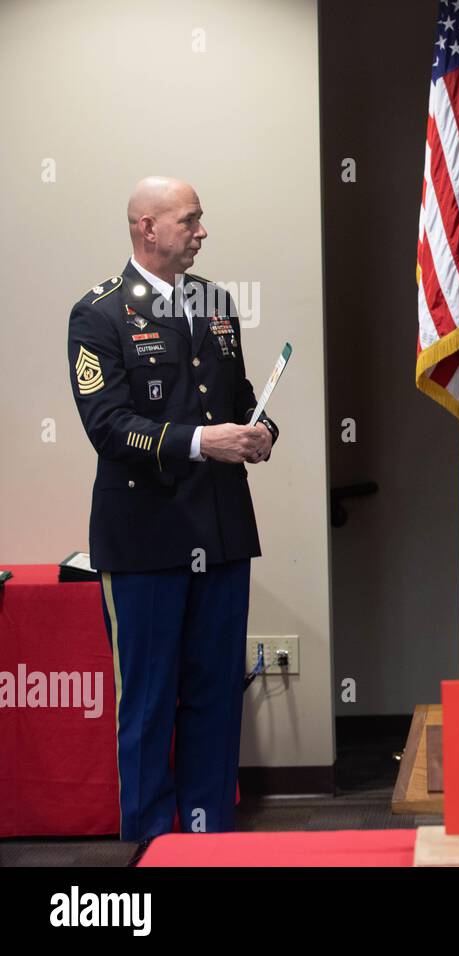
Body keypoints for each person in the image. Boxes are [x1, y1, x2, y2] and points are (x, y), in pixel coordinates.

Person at [67, 176, 278, 860]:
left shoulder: (216, 302)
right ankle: (151, 849)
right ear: (147, 229)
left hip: (219, 531)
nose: (202, 231)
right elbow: (108, 426)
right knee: (150, 702)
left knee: (216, 696)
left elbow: (241, 397)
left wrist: (261, 430)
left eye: (201, 219)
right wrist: (199, 442)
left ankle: (206, 839)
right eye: (190, 220)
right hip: (146, 538)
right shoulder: (97, 314)